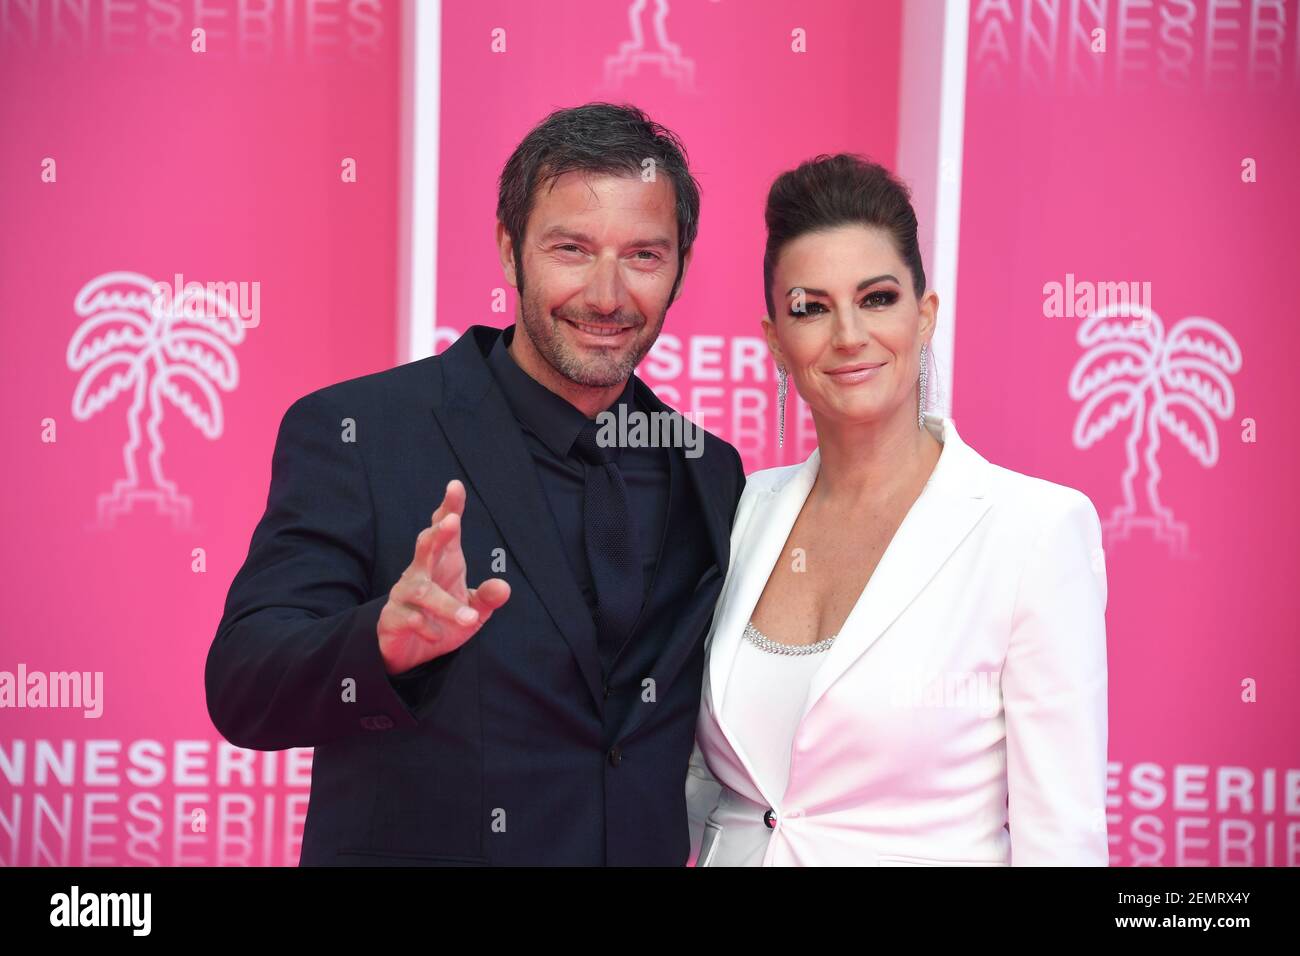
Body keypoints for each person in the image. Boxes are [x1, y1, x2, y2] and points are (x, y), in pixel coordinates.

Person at [206, 102, 745, 866]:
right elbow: (243, 686)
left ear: (680, 267)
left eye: (643, 256)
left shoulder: (709, 472)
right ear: (508, 250)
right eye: (571, 248)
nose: (606, 294)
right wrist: (382, 645)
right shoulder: (363, 434)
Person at [686, 154, 1109, 866]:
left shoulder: (1032, 531)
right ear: (776, 341)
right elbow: (702, 784)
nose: (849, 334)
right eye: (811, 307)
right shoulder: (742, 510)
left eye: (877, 298)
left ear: (925, 316)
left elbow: (1062, 840)